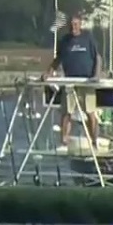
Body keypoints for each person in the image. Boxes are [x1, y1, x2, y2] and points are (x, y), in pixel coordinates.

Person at [43, 13, 102, 145]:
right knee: (67, 111)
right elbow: (58, 59)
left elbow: (97, 57)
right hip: (70, 80)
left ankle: (94, 140)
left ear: (80, 24)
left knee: (90, 111)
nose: (73, 27)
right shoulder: (64, 41)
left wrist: (96, 75)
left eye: (75, 24)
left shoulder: (88, 38)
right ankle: (64, 139)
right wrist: (49, 73)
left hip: (87, 81)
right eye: (71, 25)